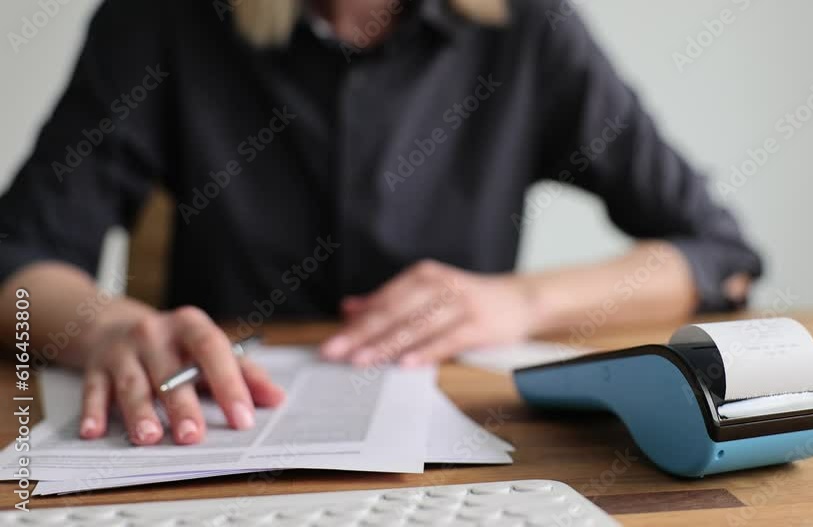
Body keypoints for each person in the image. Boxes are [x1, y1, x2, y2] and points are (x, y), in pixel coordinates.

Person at [0, 0, 761, 446]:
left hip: (462, 442)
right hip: (216, 438)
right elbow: (17, 259)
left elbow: (716, 252)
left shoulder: (528, 28)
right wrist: (105, 325)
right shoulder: (159, 20)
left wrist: (522, 301)